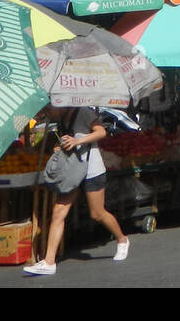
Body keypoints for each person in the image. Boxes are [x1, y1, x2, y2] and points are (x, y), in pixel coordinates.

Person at [24, 106, 129, 276]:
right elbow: (67, 141)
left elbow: (101, 132)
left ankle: (122, 239)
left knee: (97, 213)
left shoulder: (83, 113)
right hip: (72, 172)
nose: (47, 113)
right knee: (58, 211)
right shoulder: (60, 121)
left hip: (91, 170)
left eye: (49, 109)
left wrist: (77, 141)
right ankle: (49, 261)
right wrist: (59, 146)